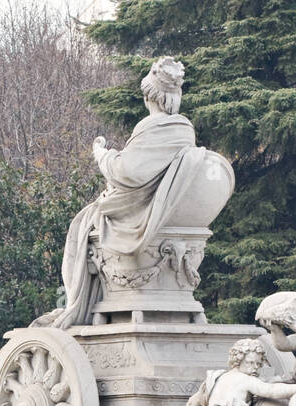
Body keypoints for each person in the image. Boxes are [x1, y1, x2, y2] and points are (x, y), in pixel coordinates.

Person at [35, 55, 210, 329]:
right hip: (167, 213)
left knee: (82, 222)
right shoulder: (185, 131)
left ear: (149, 97)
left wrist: (101, 154)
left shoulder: (153, 127)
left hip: (137, 214)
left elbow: (125, 173)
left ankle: (77, 304)